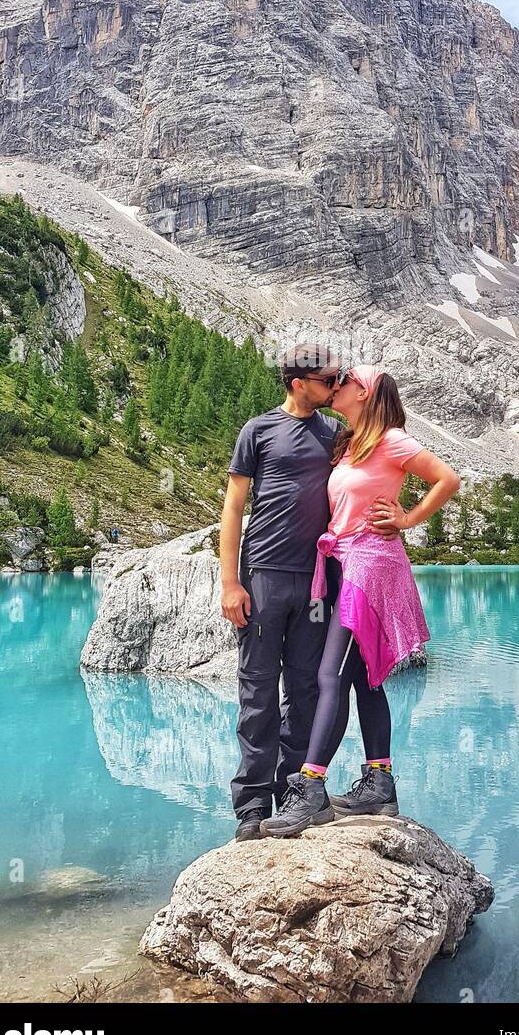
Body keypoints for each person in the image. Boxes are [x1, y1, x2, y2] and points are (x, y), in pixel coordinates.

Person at [260, 364, 461, 838]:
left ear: (364, 393)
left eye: (345, 379)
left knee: (330, 674)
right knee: (364, 679)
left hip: (369, 567)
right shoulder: (350, 444)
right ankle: (380, 784)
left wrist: (407, 518)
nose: (337, 385)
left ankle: (311, 791)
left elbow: (447, 479)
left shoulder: (391, 440)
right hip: (341, 564)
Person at [220, 343, 343, 841]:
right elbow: (232, 509)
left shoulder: (336, 433)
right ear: (298, 382)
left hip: (315, 581)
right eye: (328, 379)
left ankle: (297, 796)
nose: (335, 387)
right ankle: (251, 806)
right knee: (257, 692)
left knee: (307, 690)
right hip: (264, 575)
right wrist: (230, 582)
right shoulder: (258, 430)